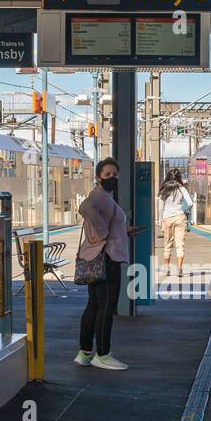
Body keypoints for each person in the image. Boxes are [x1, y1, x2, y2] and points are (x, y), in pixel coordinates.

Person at [75, 157, 139, 370]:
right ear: (98, 177)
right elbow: (85, 207)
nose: (112, 178)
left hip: (98, 256)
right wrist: (102, 234)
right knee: (106, 307)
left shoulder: (106, 197)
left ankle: (84, 352)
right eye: (107, 174)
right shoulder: (100, 195)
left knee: (94, 305)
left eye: (115, 174)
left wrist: (122, 232)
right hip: (107, 257)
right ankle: (102, 354)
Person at [157, 168, 194, 279]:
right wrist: (184, 210)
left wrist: (160, 220)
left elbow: (160, 207)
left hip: (167, 218)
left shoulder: (164, 189)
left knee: (167, 244)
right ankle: (179, 268)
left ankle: (167, 268)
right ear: (179, 177)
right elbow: (190, 203)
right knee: (180, 245)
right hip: (180, 217)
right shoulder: (181, 188)